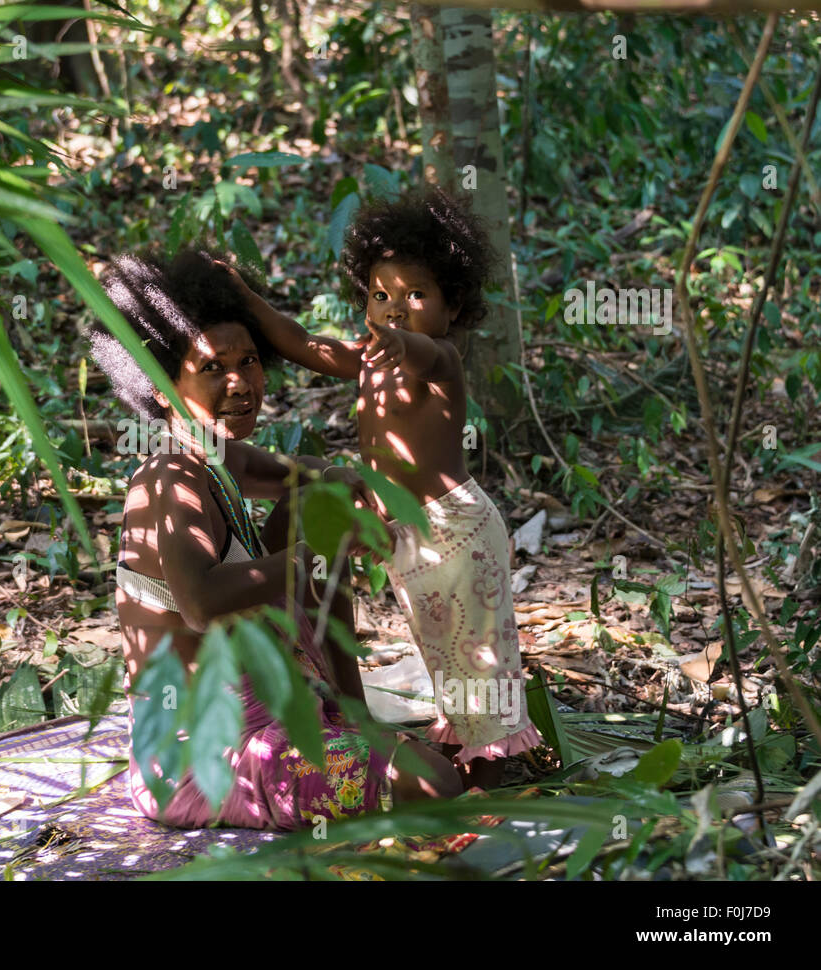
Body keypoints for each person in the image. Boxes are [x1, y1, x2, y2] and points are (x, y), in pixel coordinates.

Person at [88, 248, 460, 830]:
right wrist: (321, 553)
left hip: (275, 710)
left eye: (250, 362)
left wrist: (352, 488)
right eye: (213, 368)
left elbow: (302, 475)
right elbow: (199, 601)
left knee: (324, 496)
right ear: (160, 386)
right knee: (433, 782)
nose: (240, 384)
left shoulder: (213, 454)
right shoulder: (166, 476)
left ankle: (347, 712)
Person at [224, 189, 543, 790]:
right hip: (407, 532)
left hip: (455, 530)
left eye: (415, 295)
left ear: (454, 306)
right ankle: (461, 749)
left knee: (481, 658)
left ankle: (504, 761)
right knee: (442, 650)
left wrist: (401, 340)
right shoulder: (371, 358)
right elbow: (301, 343)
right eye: (381, 296)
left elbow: (417, 349)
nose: (395, 309)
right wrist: (244, 296)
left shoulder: (440, 357)